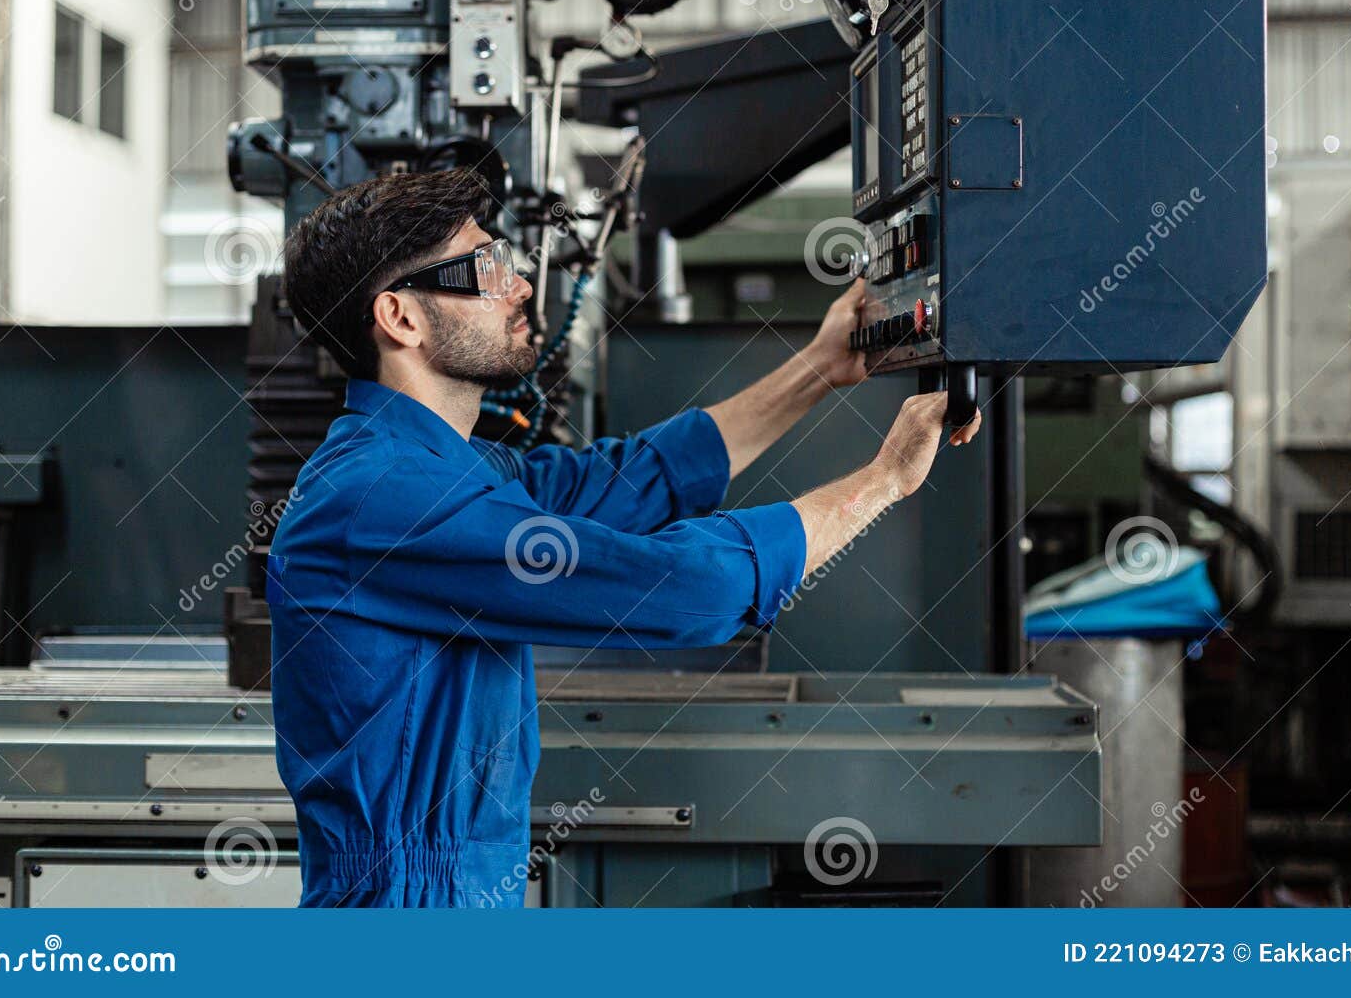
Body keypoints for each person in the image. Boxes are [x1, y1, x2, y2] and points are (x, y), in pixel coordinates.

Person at [267, 169, 982, 906]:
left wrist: (820, 367)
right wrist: (884, 480)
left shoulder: (450, 468)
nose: (520, 286)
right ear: (400, 318)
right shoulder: (383, 496)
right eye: (487, 268)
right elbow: (689, 587)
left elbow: (632, 480)